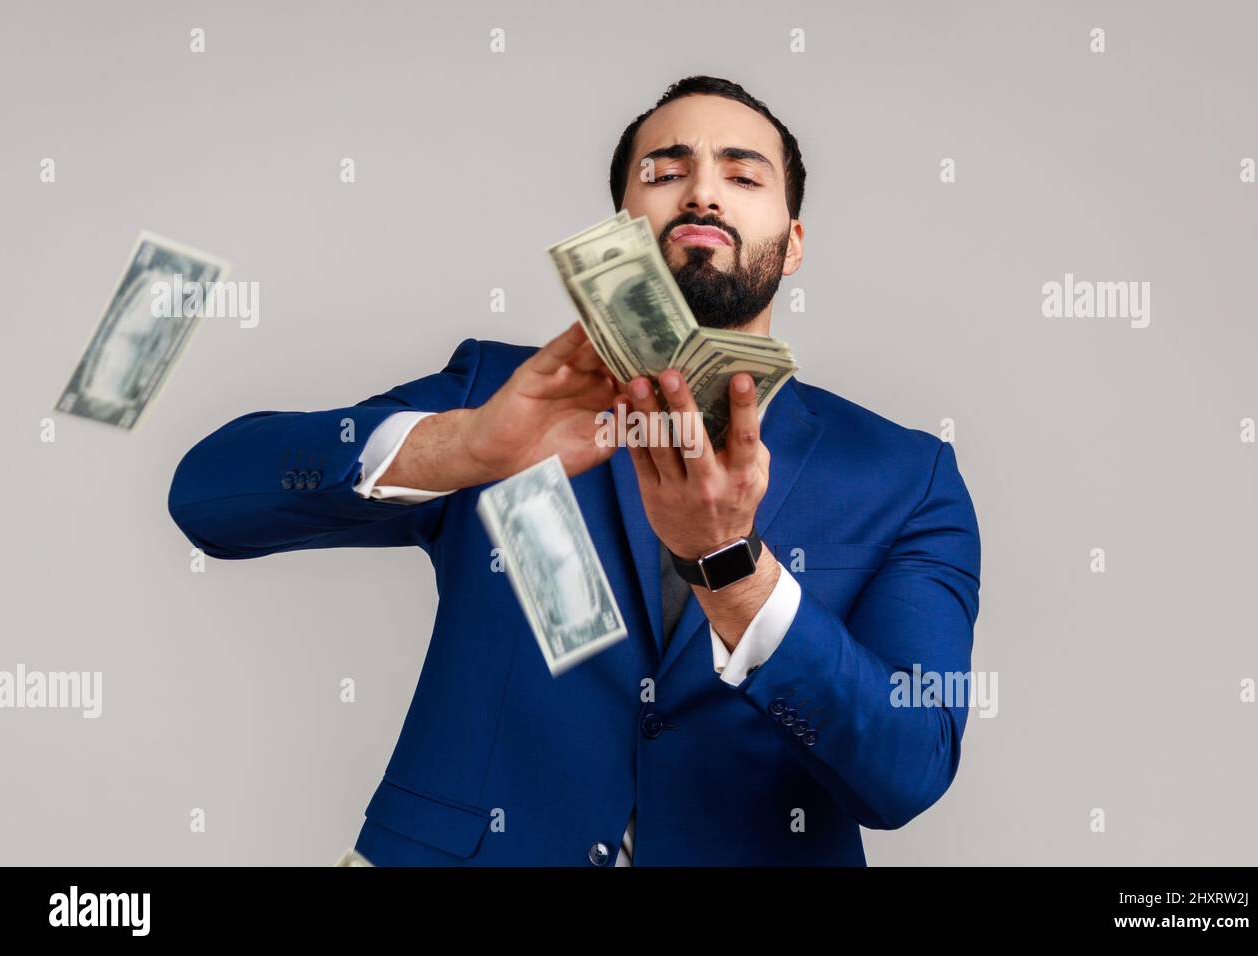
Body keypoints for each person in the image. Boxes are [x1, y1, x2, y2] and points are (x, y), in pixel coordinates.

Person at [167, 76, 981, 866]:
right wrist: (465, 448)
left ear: (793, 241)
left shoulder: (905, 477)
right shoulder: (498, 398)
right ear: (622, 222)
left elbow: (905, 771)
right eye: (665, 171)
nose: (701, 192)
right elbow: (210, 495)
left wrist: (735, 575)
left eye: (741, 174)